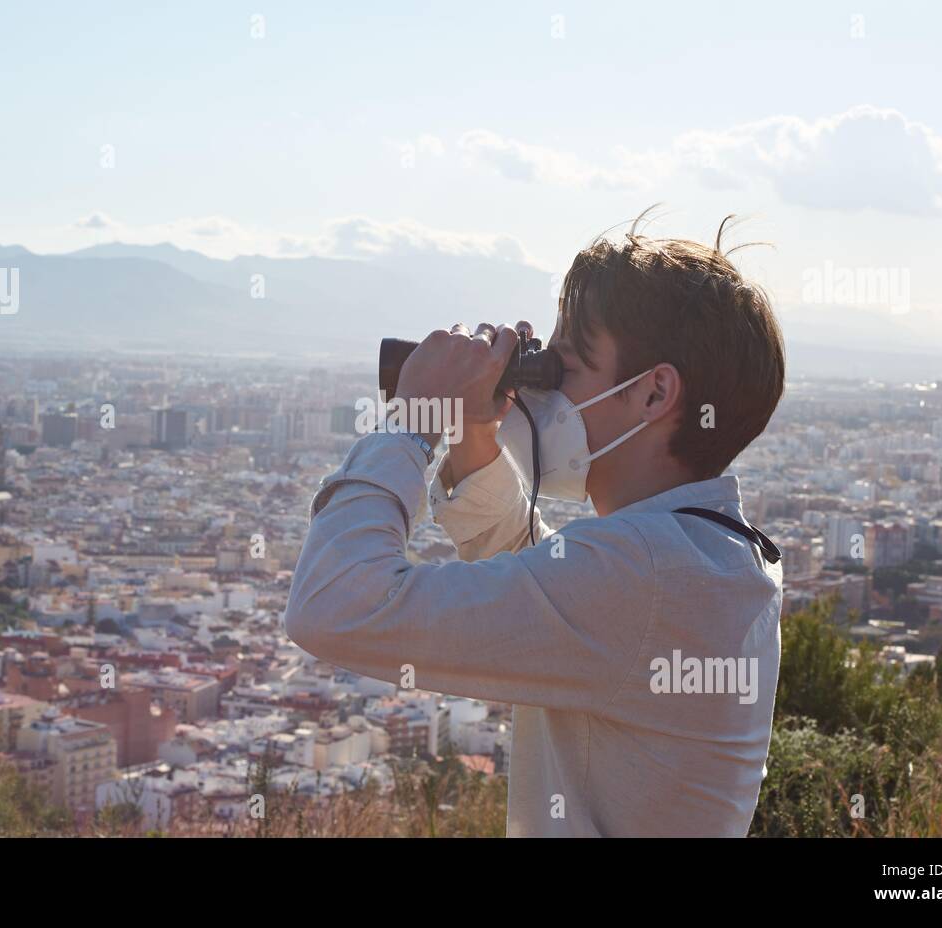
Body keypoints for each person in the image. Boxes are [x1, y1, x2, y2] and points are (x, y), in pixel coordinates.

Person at [285, 214, 787, 836]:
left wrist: (413, 421)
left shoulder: (650, 574)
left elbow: (335, 605)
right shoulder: (709, 553)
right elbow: (550, 593)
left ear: (654, 394)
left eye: (565, 367)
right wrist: (475, 431)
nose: (543, 390)